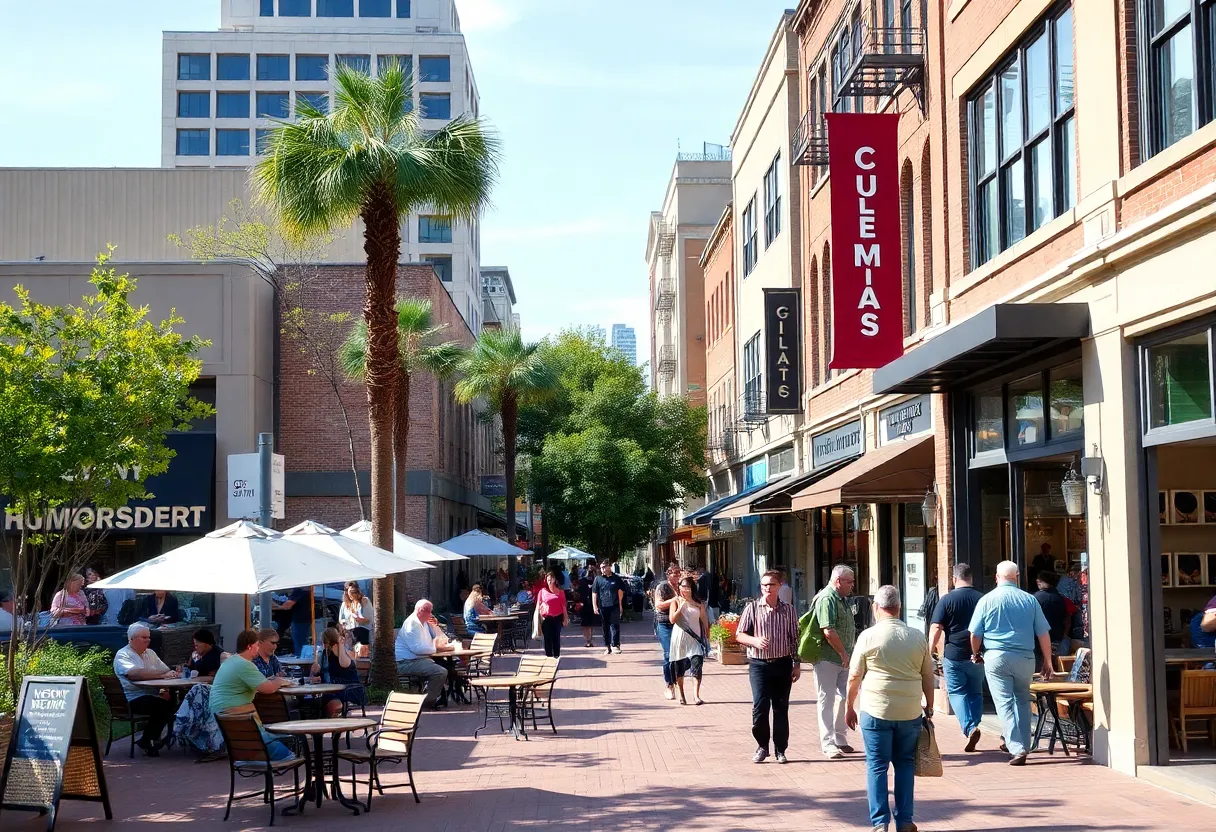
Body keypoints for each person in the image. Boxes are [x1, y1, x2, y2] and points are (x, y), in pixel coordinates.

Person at [845, 586, 934, 832]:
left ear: (876, 607)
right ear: (899, 608)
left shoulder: (868, 637)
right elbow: (928, 675)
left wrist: (849, 705)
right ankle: (904, 820)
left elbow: (854, 676)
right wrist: (929, 705)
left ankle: (879, 823)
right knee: (905, 764)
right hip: (909, 710)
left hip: (876, 709)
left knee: (877, 766)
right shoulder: (917, 636)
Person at [969, 560, 1053, 765]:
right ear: (1017, 577)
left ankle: (1016, 747)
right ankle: (1024, 744)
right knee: (1023, 700)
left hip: (996, 656)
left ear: (997, 577)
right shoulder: (1030, 600)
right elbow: (1043, 633)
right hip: (1025, 657)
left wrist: (976, 652)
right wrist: (1048, 661)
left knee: (1004, 703)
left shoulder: (987, 600)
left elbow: (975, 634)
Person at [736, 570, 800, 763]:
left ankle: (781, 749)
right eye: (764, 585)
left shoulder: (788, 609)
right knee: (760, 707)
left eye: (771, 584)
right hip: (759, 665)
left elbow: (794, 639)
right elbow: (740, 634)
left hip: (782, 663)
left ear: (779, 586)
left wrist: (796, 663)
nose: (767, 588)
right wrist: (754, 641)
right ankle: (762, 746)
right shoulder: (752, 608)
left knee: (780, 708)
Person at [209, 628, 294, 761]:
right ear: (249, 646)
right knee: (286, 754)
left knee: (269, 738)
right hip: (236, 715)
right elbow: (268, 688)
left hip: (223, 714)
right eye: (257, 645)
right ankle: (289, 758)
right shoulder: (244, 665)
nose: (258, 648)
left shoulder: (231, 661)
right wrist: (280, 681)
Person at [928, 563, 985, 751]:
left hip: (954, 654)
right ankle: (974, 724)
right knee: (976, 692)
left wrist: (929, 652)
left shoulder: (947, 600)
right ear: (971, 578)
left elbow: (936, 627)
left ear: (954, 579)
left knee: (957, 692)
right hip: (978, 654)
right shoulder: (982, 599)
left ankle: (969, 727)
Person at [804, 564, 858, 759]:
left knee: (845, 697)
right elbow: (828, 630)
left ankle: (840, 737)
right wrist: (843, 653)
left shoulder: (841, 599)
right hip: (827, 658)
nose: (852, 585)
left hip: (844, 658)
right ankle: (828, 744)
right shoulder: (827, 598)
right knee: (826, 700)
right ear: (838, 581)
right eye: (849, 582)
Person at [113, 623, 180, 756]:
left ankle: (150, 740)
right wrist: (162, 675)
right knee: (163, 706)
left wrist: (165, 688)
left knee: (172, 702)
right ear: (132, 639)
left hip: (152, 695)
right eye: (143, 637)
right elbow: (134, 673)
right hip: (133, 699)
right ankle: (150, 740)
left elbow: (166, 670)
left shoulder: (150, 653)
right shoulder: (123, 654)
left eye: (148, 637)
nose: (148, 640)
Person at [394, 599, 454, 708]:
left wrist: (434, 626)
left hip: (418, 660)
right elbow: (417, 649)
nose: (431, 614)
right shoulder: (412, 624)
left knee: (448, 667)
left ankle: (439, 697)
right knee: (440, 672)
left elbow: (440, 638)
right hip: (406, 662)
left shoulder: (424, 623)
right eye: (429, 611)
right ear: (421, 611)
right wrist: (436, 649)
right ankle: (426, 702)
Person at [669, 576, 710, 705]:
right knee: (679, 667)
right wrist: (680, 608)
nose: (684, 589)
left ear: (692, 588)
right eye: (682, 586)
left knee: (697, 665)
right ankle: (681, 694)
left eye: (687, 587)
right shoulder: (676, 601)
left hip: (695, 638)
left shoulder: (698, 603)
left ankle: (696, 696)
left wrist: (707, 635)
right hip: (679, 638)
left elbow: (704, 620)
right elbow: (672, 620)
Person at [311, 627, 366, 717]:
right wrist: (314, 673)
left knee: (332, 704)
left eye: (330, 644)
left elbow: (343, 663)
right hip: (333, 690)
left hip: (350, 690)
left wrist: (340, 645)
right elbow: (315, 675)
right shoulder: (325, 655)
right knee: (315, 703)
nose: (327, 647)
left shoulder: (347, 655)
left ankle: (331, 723)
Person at [652, 564, 681, 699]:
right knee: (669, 654)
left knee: (684, 656)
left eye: (679, 573)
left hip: (679, 623)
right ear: (668, 575)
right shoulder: (663, 587)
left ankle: (677, 678)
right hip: (664, 623)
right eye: (674, 574)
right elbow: (658, 605)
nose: (677, 576)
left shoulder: (682, 587)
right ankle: (669, 685)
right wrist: (674, 600)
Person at [1033, 570, 1071, 662]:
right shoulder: (1061, 598)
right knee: (1054, 664)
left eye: (1041, 579)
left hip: (1039, 638)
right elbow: (1067, 619)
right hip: (1057, 637)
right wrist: (1065, 634)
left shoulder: (1035, 598)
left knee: (1041, 664)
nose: (1037, 581)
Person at [592, 560, 625, 655]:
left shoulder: (616, 578)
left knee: (615, 625)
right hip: (603, 606)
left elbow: (620, 592)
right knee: (605, 627)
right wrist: (595, 606)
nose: (602, 569)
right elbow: (594, 593)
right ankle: (607, 646)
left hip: (614, 605)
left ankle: (615, 645)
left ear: (609, 567)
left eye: (604, 567)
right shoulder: (598, 579)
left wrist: (620, 605)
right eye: (601, 568)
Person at [536, 570, 569, 658]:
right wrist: (541, 610)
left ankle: (556, 656)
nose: (549, 581)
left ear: (554, 580)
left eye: (551, 579)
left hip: (557, 617)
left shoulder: (560, 592)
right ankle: (549, 656)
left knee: (556, 637)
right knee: (547, 638)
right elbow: (538, 605)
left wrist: (565, 619)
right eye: (548, 580)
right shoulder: (542, 591)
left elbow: (564, 607)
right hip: (546, 618)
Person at [1057, 563, 1086, 651]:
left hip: (1072, 610)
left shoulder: (1074, 581)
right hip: (1070, 610)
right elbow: (1070, 599)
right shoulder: (1066, 581)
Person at [278, 587, 312, 655]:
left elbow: (287, 606)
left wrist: (272, 604)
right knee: (302, 642)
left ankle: (300, 657)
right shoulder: (306, 590)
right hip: (305, 620)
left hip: (300, 621)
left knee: (300, 644)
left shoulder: (299, 590)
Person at [339, 582, 373, 646]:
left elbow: (370, 619)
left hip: (363, 635)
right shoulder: (344, 604)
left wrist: (359, 619)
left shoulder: (364, 601)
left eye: (353, 592)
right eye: (350, 592)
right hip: (349, 635)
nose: (351, 594)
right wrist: (344, 625)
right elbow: (341, 620)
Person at [575, 575, 595, 648]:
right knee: (590, 625)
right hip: (590, 606)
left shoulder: (581, 584)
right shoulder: (592, 585)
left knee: (586, 625)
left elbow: (578, 596)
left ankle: (588, 640)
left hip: (584, 606)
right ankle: (589, 640)